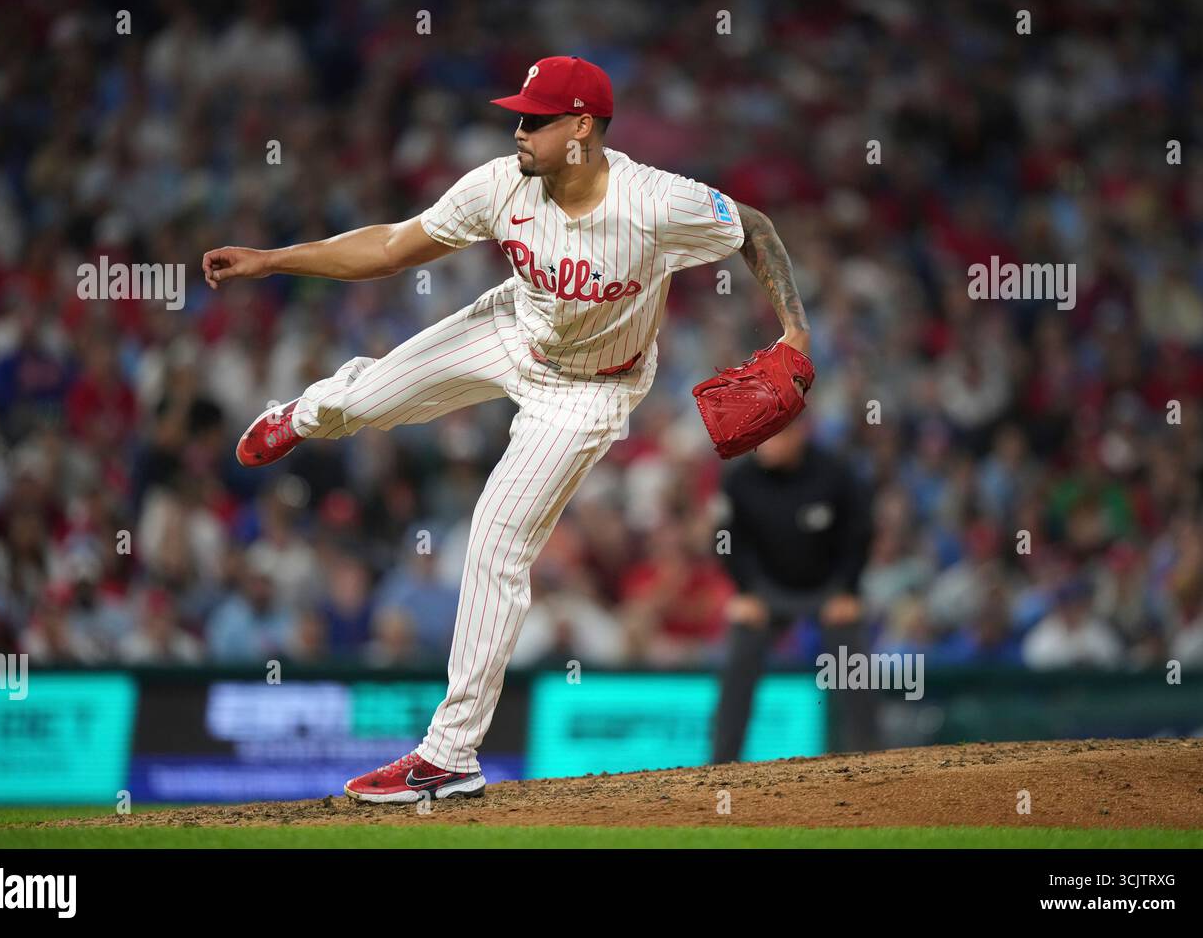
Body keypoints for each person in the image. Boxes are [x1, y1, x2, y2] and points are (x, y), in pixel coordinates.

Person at [202, 56, 814, 803]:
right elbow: (394, 247)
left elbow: (755, 227)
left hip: (590, 389)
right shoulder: (503, 184)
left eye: (535, 117)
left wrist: (795, 334)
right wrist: (272, 261)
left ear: (583, 127)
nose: (518, 129)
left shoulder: (656, 202)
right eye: (519, 114)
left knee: (495, 541)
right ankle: (303, 413)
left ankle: (448, 755)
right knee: (360, 403)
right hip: (514, 328)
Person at [710, 421, 873, 762]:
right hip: (766, 589)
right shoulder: (739, 480)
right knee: (740, 655)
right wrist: (746, 590)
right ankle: (721, 766)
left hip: (828, 587)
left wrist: (847, 589)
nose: (764, 444)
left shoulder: (835, 472)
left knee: (851, 656)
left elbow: (858, 535)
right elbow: (727, 543)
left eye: (773, 435)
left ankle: (869, 761)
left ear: (798, 432)